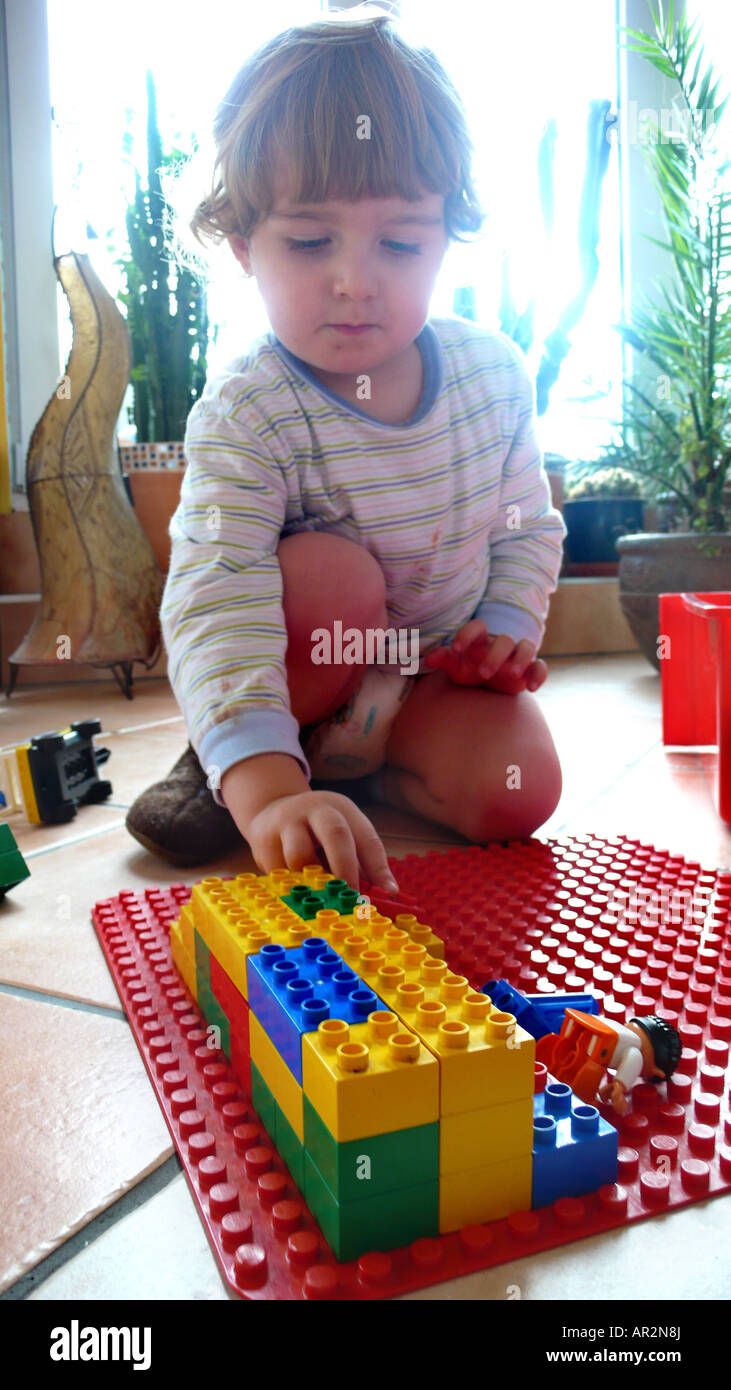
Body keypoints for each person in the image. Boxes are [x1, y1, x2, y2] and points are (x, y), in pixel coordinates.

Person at [126, 7, 566, 892]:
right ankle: (242, 755)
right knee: (336, 579)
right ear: (246, 246)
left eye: (400, 243)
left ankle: (348, 770)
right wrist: (266, 789)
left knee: (518, 791)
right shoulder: (250, 407)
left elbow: (525, 527)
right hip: (286, 668)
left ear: (446, 235)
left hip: (417, 680)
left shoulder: (492, 377)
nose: (354, 281)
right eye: (309, 240)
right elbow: (216, 592)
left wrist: (506, 631)